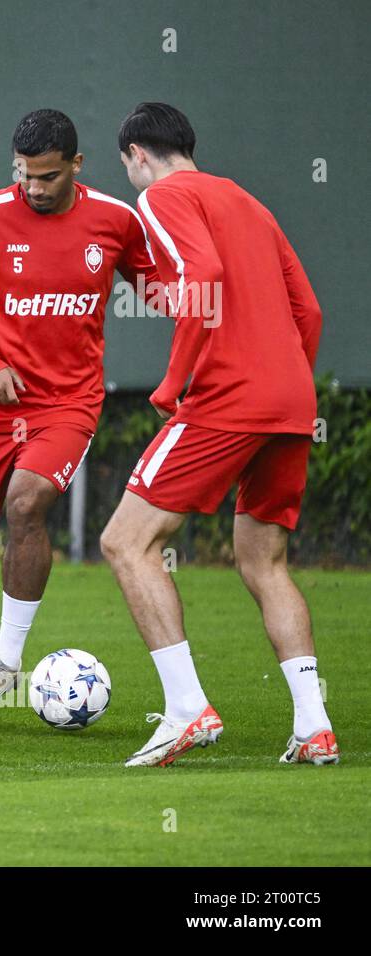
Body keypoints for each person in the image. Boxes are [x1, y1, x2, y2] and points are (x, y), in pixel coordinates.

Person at [100, 102, 336, 767]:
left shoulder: (164, 198)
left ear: (136, 155)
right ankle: (313, 726)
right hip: (290, 398)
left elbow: (201, 277)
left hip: (229, 396)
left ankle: (186, 708)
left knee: (126, 541)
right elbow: (308, 310)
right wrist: (289, 386)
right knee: (264, 562)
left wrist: (175, 381)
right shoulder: (248, 201)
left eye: (128, 168)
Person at [0, 109, 159, 728]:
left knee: (26, 505)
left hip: (67, 405)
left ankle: (4, 660)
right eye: (24, 175)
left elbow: (166, 292)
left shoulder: (115, 219)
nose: (34, 188)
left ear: (77, 166)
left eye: (47, 176)